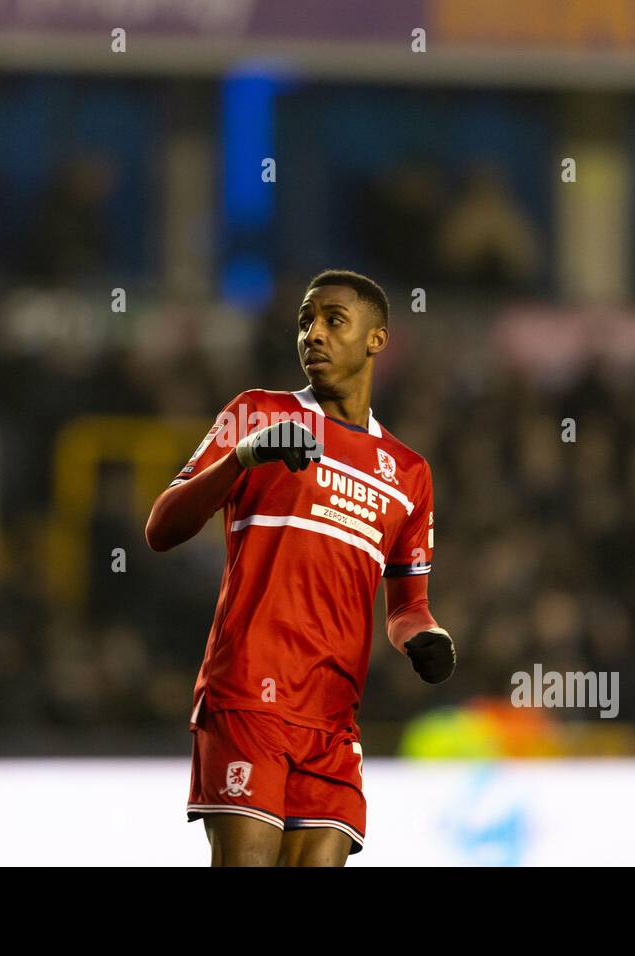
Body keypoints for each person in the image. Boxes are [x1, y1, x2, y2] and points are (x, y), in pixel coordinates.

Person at [145, 269, 455, 866]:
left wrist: (427, 637)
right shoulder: (258, 413)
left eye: (333, 320)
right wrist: (243, 457)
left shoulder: (409, 472)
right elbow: (161, 528)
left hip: (334, 720)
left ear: (376, 339)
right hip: (248, 696)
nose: (313, 334)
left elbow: (408, 608)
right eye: (305, 322)